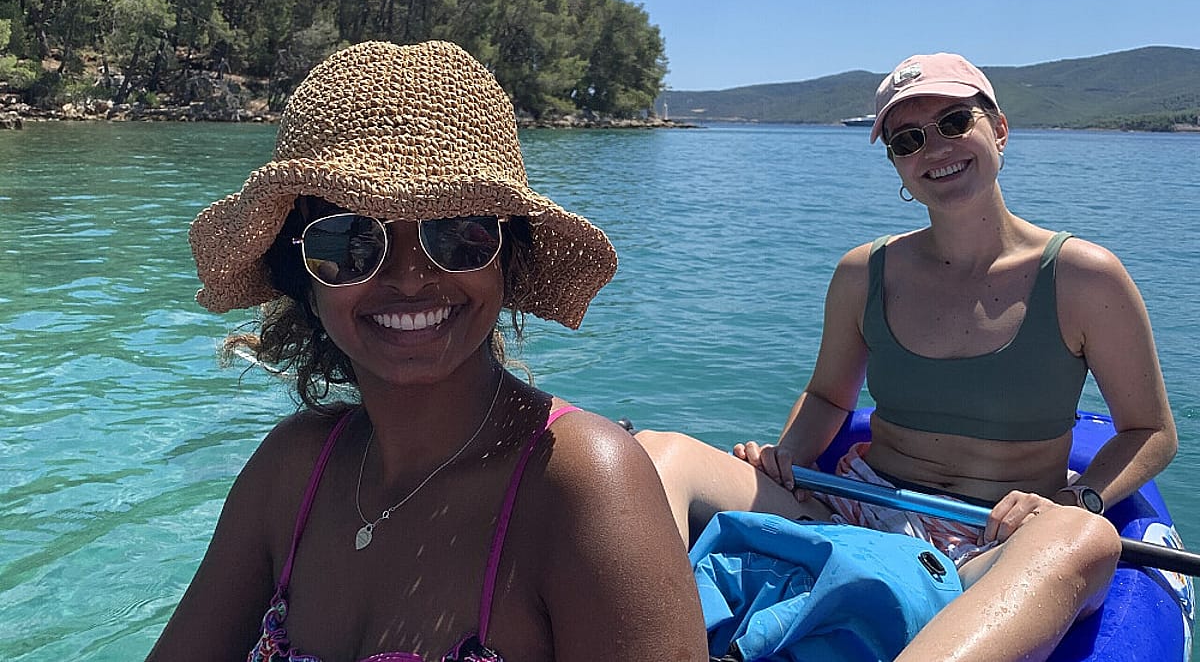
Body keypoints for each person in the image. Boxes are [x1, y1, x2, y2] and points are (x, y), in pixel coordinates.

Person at [147, 40, 707, 662]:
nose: (411, 278)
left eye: (458, 236)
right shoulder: (290, 470)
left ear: (507, 258)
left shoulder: (582, 483)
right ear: (301, 274)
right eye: (351, 239)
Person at [638, 52, 1177, 661]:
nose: (936, 148)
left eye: (955, 122)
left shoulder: (1086, 277)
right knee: (662, 454)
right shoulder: (863, 273)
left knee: (1085, 538)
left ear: (998, 128)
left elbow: (1150, 431)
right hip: (855, 504)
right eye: (909, 139)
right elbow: (827, 397)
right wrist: (787, 456)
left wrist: (1076, 500)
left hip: (994, 539)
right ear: (896, 163)